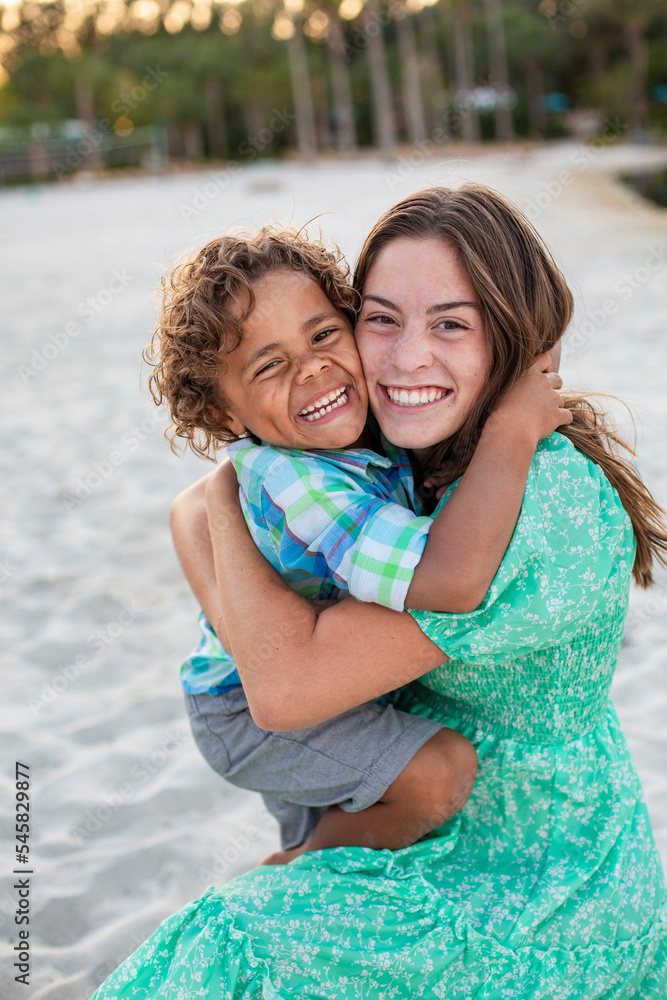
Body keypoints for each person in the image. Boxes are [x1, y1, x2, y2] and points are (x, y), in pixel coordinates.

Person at [90, 184, 667, 998]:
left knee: (228, 942)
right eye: (382, 318)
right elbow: (192, 519)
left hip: (536, 882)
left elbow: (286, 685)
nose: (401, 359)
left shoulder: (535, 507)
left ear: (511, 336)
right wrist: (232, 487)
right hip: (419, 813)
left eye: (449, 324)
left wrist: (230, 492)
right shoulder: (416, 462)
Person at [149, 225, 569, 863]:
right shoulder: (299, 480)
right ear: (225, 418)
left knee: (364, 815)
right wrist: (512, 429)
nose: (312, 367)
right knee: (438, 772)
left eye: (322, 334)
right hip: (241, 709)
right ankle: (289, 875)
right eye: (269, 365)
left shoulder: (358, 423)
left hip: (303, 679)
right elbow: (449, 581)